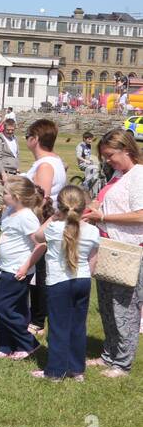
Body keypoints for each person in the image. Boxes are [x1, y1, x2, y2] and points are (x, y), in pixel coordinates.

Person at [83, 128, 143, 378]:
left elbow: (141, 215)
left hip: (128, 252)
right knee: (107, 306)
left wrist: (103, 216)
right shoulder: (119, 174)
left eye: (110, 155)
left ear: (126, 150)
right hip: (108, 247)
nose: (107, 160)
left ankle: (122, 363)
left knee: (125, 309)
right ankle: (109, 354)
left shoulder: (138, 176)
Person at [31, 186, 99, 381]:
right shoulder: (93, 232)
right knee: (78, 326)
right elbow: (92, 263)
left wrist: (53, 217)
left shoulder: (53, 227)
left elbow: (36, 236)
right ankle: (77, 370)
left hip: (59, 283)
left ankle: (55, 371)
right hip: (83, 281)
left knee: (58, 327)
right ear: (84, 208)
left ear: (59, 208)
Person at [0, 175, 44, 361]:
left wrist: (26, 266)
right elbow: (11, 237)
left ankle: (29, 343)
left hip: (17, 271)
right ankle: (5, 345)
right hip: (1, 267)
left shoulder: (27, 218)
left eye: (5, 193)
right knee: (15, 309)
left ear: (17, 196)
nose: (2, 195)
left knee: (3, 307)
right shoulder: (8, 211)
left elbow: (40, 245)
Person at [22, 119, 66, 335]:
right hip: (44, 226)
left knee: (37, 272)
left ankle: (37, 321)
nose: (26, 140)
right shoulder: (51, 161)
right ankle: (35, 316)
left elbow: (41, 199)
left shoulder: (46, 165)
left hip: (40, 227)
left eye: (27, 136)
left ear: (35, 139)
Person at [0, 116, 21, 229]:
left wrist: (17, 168)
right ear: (3, 129)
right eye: (8, 130)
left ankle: (7, 220)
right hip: (3, 174)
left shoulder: (15, 140)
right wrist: (3, 174)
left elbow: (16, 155)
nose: (10, 132)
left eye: (12, 130)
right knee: (0, 199)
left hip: (14, 173)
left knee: (12, 199)